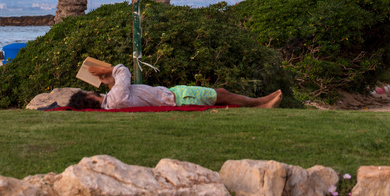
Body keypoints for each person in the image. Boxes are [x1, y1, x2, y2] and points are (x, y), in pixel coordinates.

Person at [66, 63, 282, 110]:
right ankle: (258, 103)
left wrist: (106, 79)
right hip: (177, 98)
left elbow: (120, 86)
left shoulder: (111, 100)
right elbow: (124, 73)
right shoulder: (114, 100)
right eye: (88, 92)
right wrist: (109, 68)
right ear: (89, 99)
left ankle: (260, 102)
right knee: (222, 94)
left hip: (173, 94)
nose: (91, 90)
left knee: (222, 94)